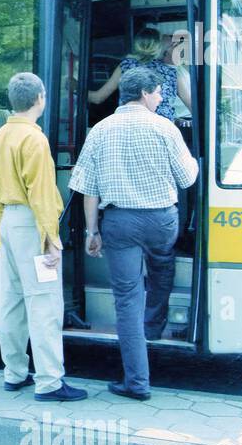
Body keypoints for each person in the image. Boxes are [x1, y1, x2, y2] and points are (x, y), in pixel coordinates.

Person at [69, 67, 198, 401]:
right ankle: (153, 326)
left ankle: (137, 382)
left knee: (127, 300)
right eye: (157, 93)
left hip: (119, 223)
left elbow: (88, 188)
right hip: (161, 220)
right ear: (144, 93)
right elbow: (187, 179)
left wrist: (92, 231)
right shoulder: (165, 127)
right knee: (162, 268)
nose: (160, 98)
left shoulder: (100, 130)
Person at [0, 72, 86, 402]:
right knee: (44, 304)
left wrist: (2, 218)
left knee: (12, 301)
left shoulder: (2, 135)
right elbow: (40, 194)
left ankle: (14, 373)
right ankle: (50, 382)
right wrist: (51, 240)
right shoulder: (34, 140)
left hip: (11, 222)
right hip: (32, 226)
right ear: (40, 98)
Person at [88, 26, 191, 122]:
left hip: (129, 127)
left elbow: (97, 98)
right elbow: (194, 107)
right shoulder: (172, 73)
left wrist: (75, 87)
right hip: (162, 129)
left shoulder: (125, 66)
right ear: (160, 47)